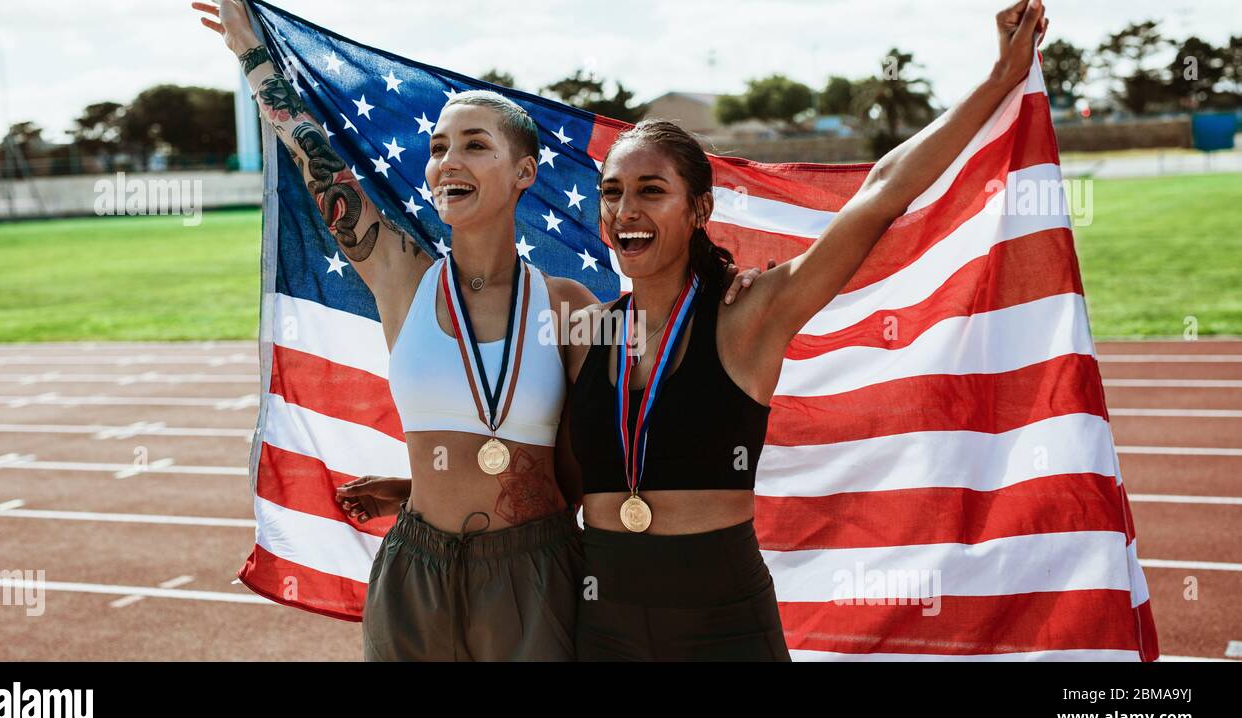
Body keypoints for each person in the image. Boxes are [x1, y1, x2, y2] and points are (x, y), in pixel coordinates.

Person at [193, 0, 763, 661]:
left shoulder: (568, 305)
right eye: (438, 148)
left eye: (474, 145)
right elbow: (319, 167)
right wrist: (254, 59)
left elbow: (634, 417)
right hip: (416, 564)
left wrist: (722, 291)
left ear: (524, 172)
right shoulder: (402, 278)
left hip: (534, 567)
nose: (448, 161)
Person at [563, 0, 1050, 660]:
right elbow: (550, 478)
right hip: (602, 612)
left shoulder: (750, 315)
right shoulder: (581, 335)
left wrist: (997, 78)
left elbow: (880, 193)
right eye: (612, 192)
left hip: (721, 617)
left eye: (651, 190)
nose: (626, 209)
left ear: (698, 207)